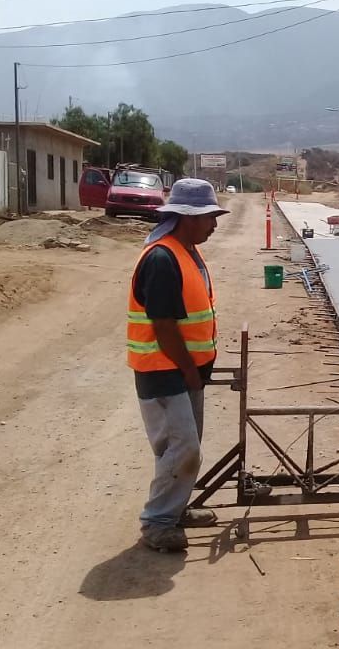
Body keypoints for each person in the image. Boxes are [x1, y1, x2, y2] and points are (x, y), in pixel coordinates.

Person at [127, 178, 228, 552]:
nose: (214, 225)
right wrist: (188, 370)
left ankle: (176, 509)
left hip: (184, 371)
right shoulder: (162, 258)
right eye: (208, 218)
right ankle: (158, 523)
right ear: (186, 218)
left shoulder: (184, 251)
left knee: (183, 446)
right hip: (163, 370)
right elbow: (164, 326)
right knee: (183, 447)